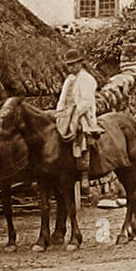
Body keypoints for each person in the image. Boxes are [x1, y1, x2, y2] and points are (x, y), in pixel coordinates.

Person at [54, 50, 102, 201]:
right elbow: (62, 99)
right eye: (69, 65)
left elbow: (86, 102)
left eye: (73, 64)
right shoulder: (69, 80)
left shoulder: (87, 79)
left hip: (83, 113)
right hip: (67, 113)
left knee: (80, 132)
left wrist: (75, 114)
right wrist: (59, 112)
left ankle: (84, 172)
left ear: (80, 63)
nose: (71, 68)